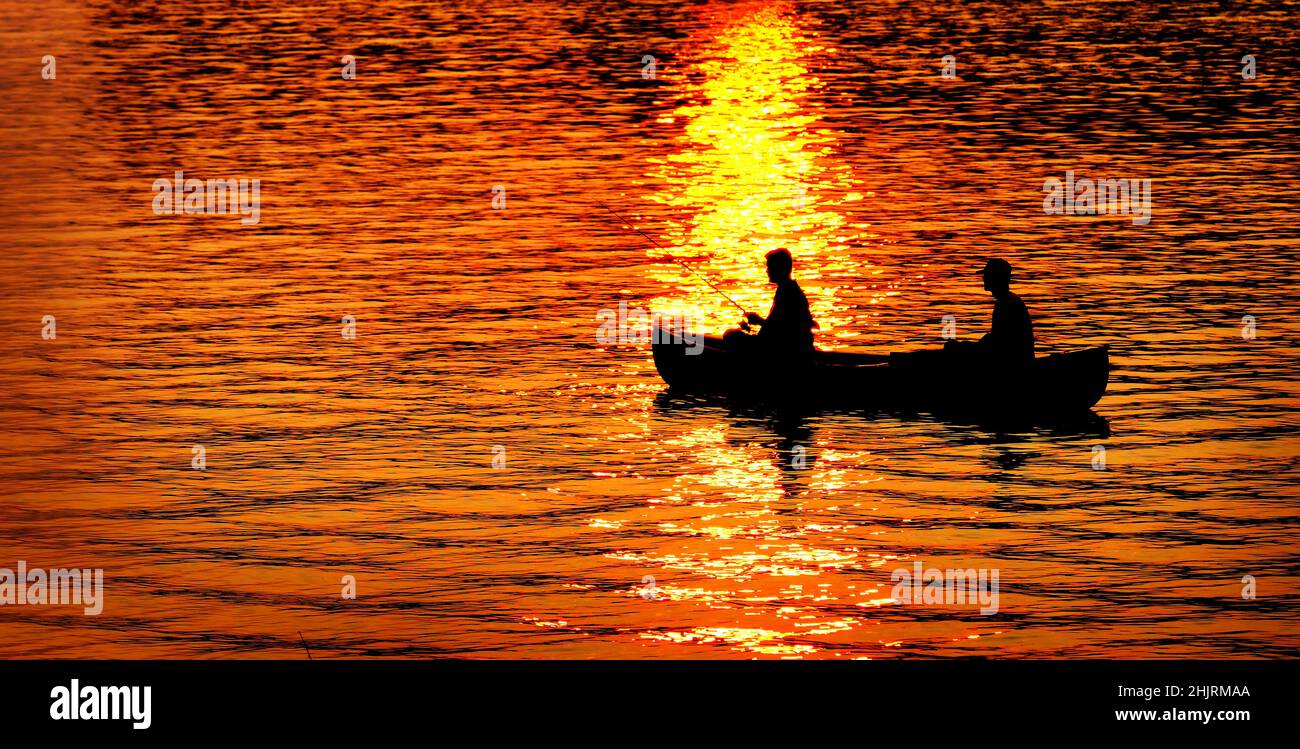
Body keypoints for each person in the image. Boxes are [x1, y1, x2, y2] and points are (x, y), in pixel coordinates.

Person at [724, 248, 818, 358]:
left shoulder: (787, 293)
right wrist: (758, 322)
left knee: (731, 336)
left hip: (783, 349)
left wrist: (758, 321)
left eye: (769, 267)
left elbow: (782, 331)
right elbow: (777, 326)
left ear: (778, 269)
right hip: (783, 345)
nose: (767, 271)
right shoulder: (787, 289)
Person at [948, 258, 1035, 364]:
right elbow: (998, 338)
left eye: (987, 275)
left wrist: (964, 347)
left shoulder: (1006, 303)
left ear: (995, 278)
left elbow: (1000, 344)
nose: (983, 278)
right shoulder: (1007, 300)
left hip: (1014, 361)